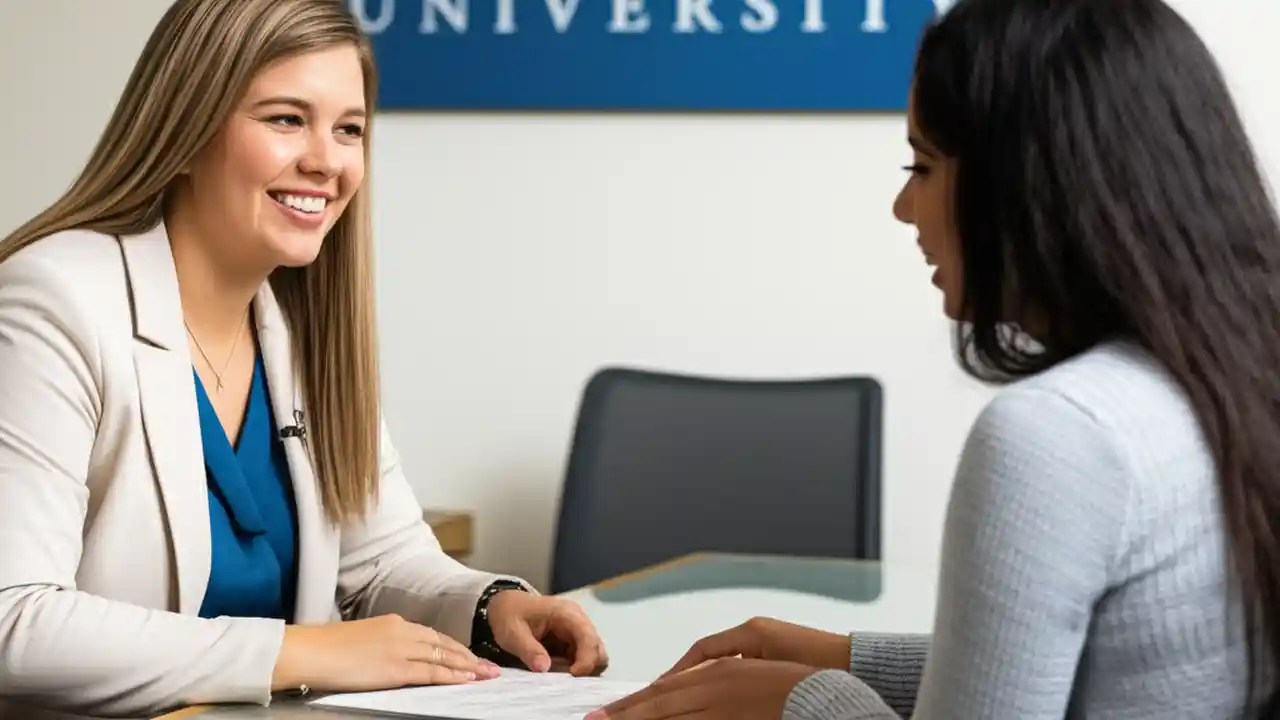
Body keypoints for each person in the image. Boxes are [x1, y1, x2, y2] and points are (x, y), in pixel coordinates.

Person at [593, 0, 1280, 718]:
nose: (903, 207)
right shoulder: (1223, 386)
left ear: (1028, 180)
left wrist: (804, 700)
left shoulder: (1061, 433)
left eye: (921, 165)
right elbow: (1103, 669)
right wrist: (846, 657)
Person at [0, 1, 606, 717]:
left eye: (349, 129)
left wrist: (488, 607)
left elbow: (381, 562)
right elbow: (13, 617)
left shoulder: (302, 328)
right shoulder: (53, 300)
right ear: (185, 132)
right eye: (287, 119)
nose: (326, 161)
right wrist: (300, 653)